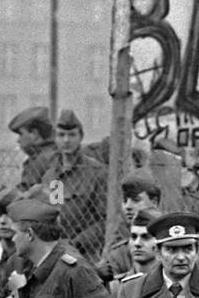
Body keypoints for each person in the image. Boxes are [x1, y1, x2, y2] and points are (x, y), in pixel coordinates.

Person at [40, 109, 108, 261]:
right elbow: (54, 212)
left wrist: (77, 243)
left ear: (81, 137)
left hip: (87, 252)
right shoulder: (52, 175)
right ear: (55, 138)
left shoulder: (96, 172)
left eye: (71, 135)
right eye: (61, 135)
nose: (66, 140)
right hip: (57, 250)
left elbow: (104, 221)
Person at [95, 172, 162, 282]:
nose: (128, 207)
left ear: (154, 202)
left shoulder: (174, 238)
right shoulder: (117, 246)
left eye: (136, 200)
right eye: (125, 200)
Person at [9, 106, 58, 191]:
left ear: (34, 134)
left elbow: (24, 194)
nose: (18, 140)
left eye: (21, 134)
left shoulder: (40, 161)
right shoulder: (55, 153)